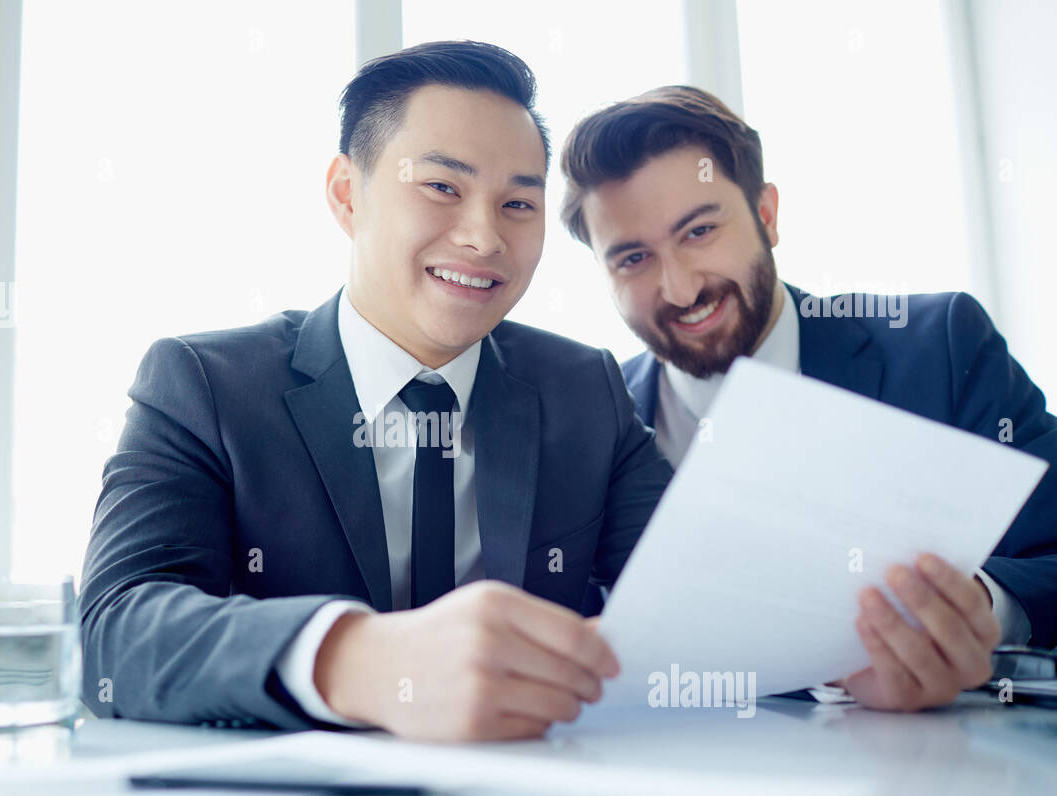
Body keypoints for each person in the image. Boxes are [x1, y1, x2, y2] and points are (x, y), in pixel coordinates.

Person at [78, 41, 672, 740]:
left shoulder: (583, 389)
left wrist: (827, 653)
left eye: (518, 202)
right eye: (442, 188)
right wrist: (357, 659)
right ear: (346, 194)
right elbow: (115, 632)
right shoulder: (204, 386)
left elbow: (698, 592)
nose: (484, 238)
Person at [560, 85, 1057, 710]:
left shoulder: (943, 349)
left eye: (700, 231)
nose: (681, 288)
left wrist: (981, 611)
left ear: (766, 215)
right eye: (633, 258)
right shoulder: (590, 424)